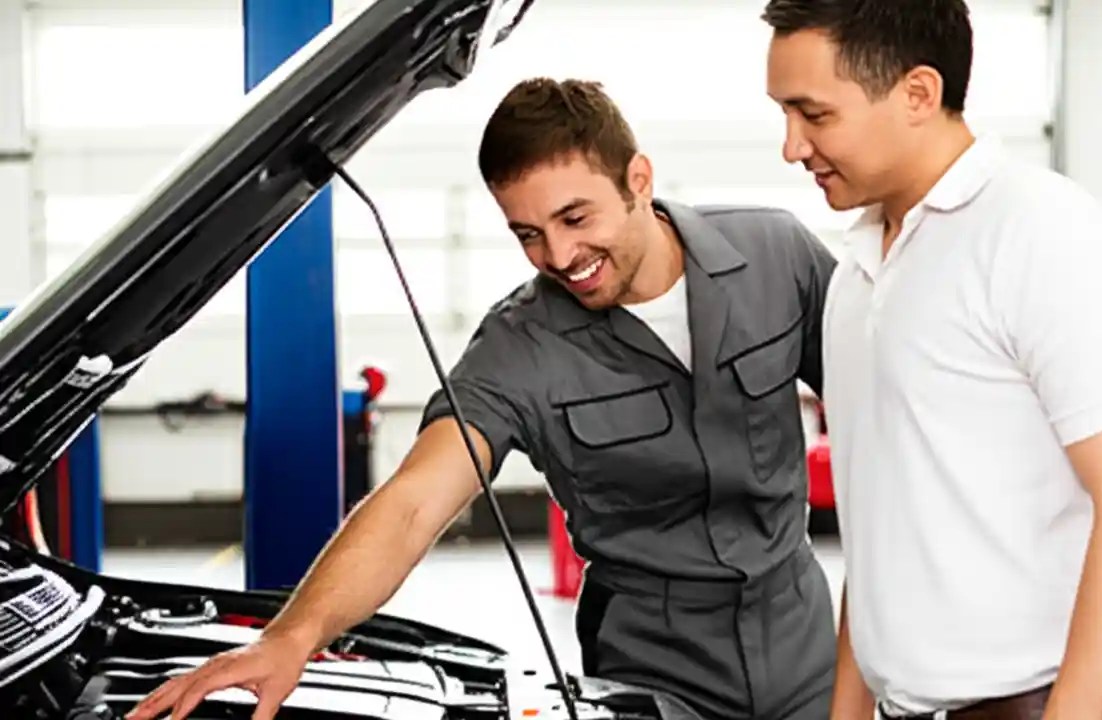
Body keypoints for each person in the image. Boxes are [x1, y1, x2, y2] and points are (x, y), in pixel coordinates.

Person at [126, 77, 840, 720]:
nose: (560, 257)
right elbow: (411, 505)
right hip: (656, 677)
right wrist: (294, 636)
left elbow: (890, 405)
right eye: (528, 234)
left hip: (809, 654)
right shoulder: (519, 346)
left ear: (639, 179)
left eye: (575, 218)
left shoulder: (778, 258)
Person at [760, 1, 1102, 719]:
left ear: (918, 94)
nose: (791, 146)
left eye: (814, 115)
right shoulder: (857, 273)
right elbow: (879, 534)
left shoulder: (1043, 233)